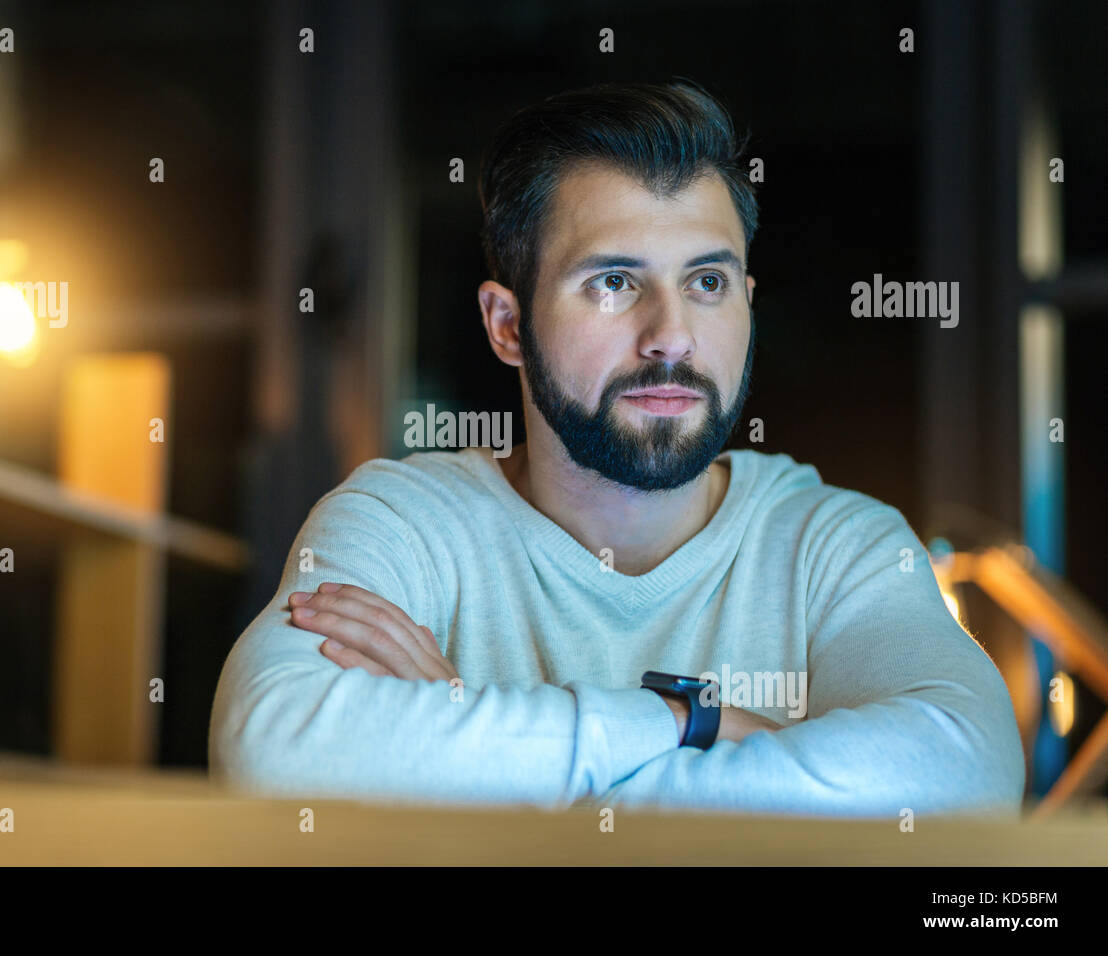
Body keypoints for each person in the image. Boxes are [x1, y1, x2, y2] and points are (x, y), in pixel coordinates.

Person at [209, 80, 1025, 814]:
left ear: (744, 301)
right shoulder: (400, 521)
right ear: (506, 326)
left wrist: (485, 754)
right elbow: (271, 752)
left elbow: (968, 771)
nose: (671, 337)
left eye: (706, 283)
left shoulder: (835, 544)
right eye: (613, 283)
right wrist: (695, 721)